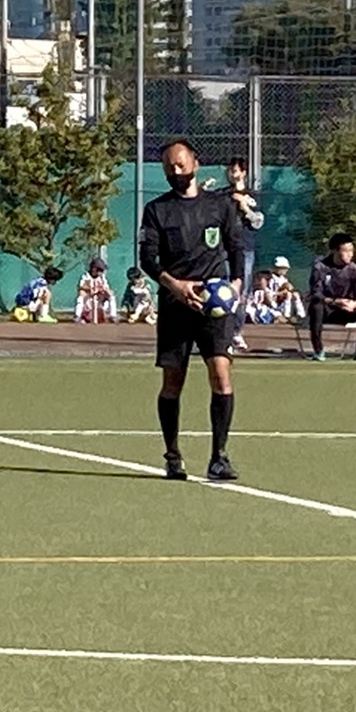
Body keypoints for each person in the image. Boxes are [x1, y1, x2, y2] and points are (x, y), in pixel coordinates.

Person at [139, 138, 245, 482]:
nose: (176, 170)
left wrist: (237, 285)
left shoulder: (221, 206)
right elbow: (148, 260)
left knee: (221, 374)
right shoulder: (157, 210)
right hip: (176, 304)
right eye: (169, 166)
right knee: (173, 382)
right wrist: (176, 286)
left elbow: (235, 249)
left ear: (196, 164)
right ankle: (172, 454)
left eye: (181, 164)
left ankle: (219, 457)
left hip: (214, 306)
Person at [307, 233, 356, 362]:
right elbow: (316, 294)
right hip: (328, 310)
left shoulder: (353, 269)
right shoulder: (320, 267)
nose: (350, 254)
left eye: (351, 251)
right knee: (316, 307)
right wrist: (336, 302)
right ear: (334, 251)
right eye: (346, 251)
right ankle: (318, 351)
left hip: (347, 310)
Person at [223, 158, 264, 353]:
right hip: (222, 250)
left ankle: (237, 333)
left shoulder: (253, 196)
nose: (232, 174)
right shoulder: (221, 195)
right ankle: (220, 334)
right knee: (221, 290)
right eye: (230, 170)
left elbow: (257, 222)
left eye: (235, 170)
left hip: (244, 249)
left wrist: (244, 206)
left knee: (241, 292)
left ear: (244, 172)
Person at [74, 257, 115, 324]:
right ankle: (77, 316)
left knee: (111, 295)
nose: (101, 272)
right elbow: (81, 286)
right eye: (100, 270)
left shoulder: (102, 277)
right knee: (81, 295)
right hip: (88, 300)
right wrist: (91, 288)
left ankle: (113, 316)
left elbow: (106, 288)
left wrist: (104, 290)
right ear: (94, 269)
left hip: (100, 301)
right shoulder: (85, 276)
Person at [265, 256, 305, 323]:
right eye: (283, 269)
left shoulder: (283, 279)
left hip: (283, 299)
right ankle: (286, 315)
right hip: (275, 300)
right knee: (288, 295)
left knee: (296, 294)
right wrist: (281, 292)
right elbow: (269, 292)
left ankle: (301, 314)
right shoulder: (271, 279)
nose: (286, 270)